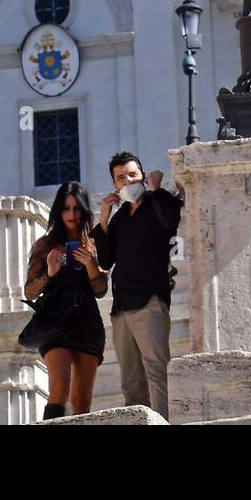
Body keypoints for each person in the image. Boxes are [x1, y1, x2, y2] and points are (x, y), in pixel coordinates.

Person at [92, 151, 182, 420]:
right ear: (114, 185)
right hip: (121, 306)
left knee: (156, 371)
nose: (127, 180)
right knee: (130, 381)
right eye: (121, 177)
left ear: (142, 176)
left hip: (149, 299)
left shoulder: (158, 203)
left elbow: (170, 221)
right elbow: (106, 261)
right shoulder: (119, 218)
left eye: (132, 174)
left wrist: (156, 190)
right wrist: (104, 216)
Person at [25, 182, 107, 420]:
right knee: (58, 389)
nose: (71, 214)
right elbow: (30, 291)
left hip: (87, 323)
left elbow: (100, 290)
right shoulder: (46, 244)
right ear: (58, 212)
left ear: (84, 211)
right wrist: (49, 272)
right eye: (66, 208)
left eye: (77, 208)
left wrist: (91, 264)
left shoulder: (94, 243)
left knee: (81, 401)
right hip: (55, 322)